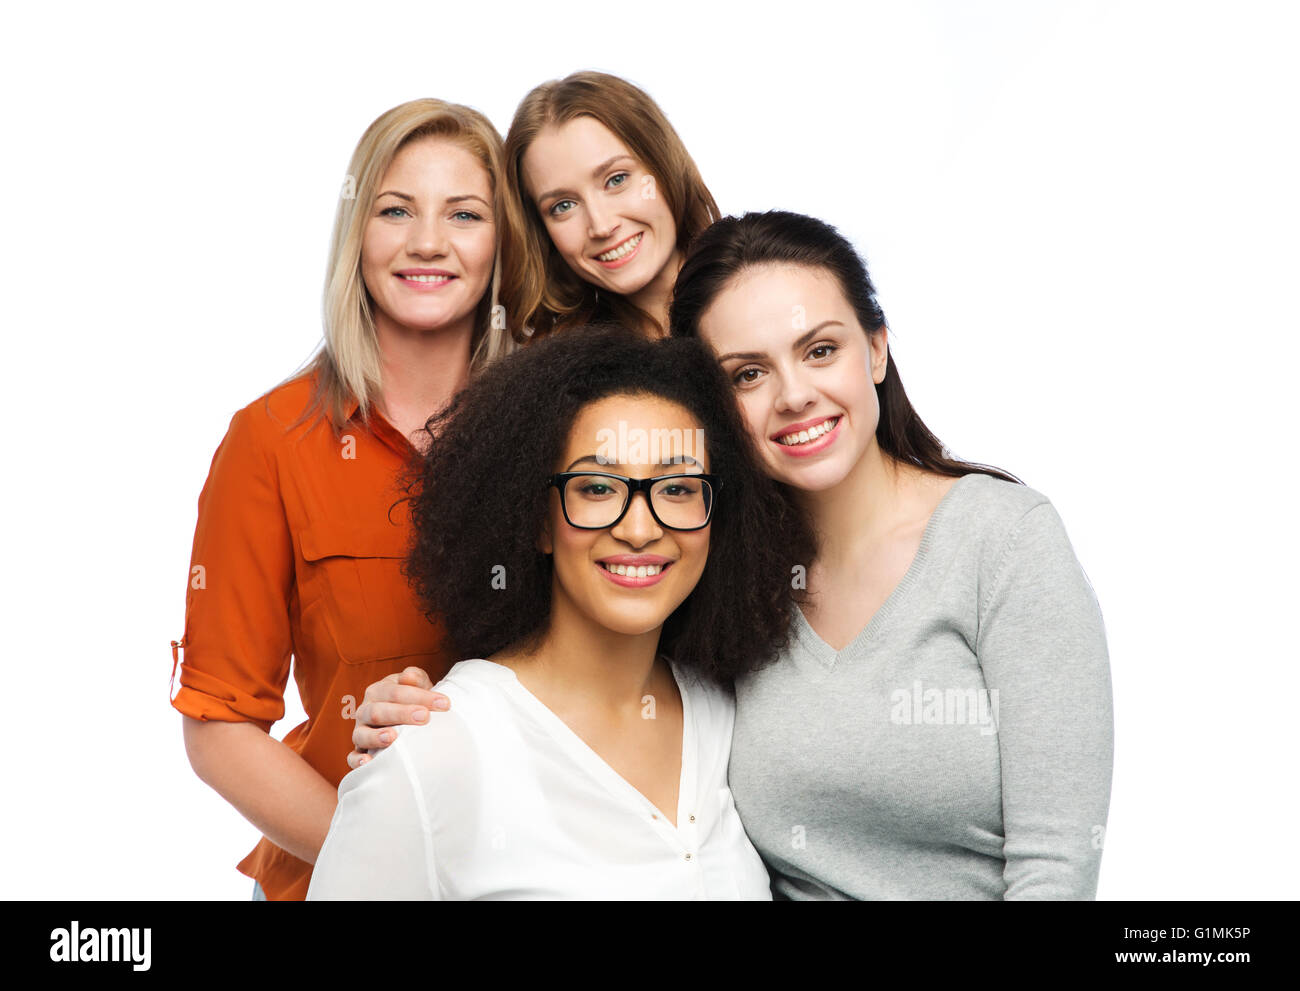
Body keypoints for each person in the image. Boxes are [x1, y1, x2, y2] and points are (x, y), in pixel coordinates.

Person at [353, 211, 1114, 900]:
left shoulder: (1004, 542)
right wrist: (416, 729)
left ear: (877, 349)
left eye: (820, 349)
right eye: (748, 373)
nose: (793, 395)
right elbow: (569, 681)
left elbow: (1057, 865)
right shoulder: (720, 579)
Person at [306, 326, 811, 899]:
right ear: (538, 520)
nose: (640, 529)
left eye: (676, 488)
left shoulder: (727, 717)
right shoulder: (430, 753)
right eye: (596, 488)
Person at [170, 98, 513, 901]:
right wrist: (382, 864)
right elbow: (219, 725)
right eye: (395, 210)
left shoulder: (561, 432)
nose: (427, 241)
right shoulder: (270, 440)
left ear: (504, 245)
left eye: (464, 213)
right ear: (356, 233)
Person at [497, 70, 719, 340]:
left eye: (617, 180)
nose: (601, 226)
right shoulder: (564, 368)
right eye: (563, 206)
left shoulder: (770, 291)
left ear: (664, 167)